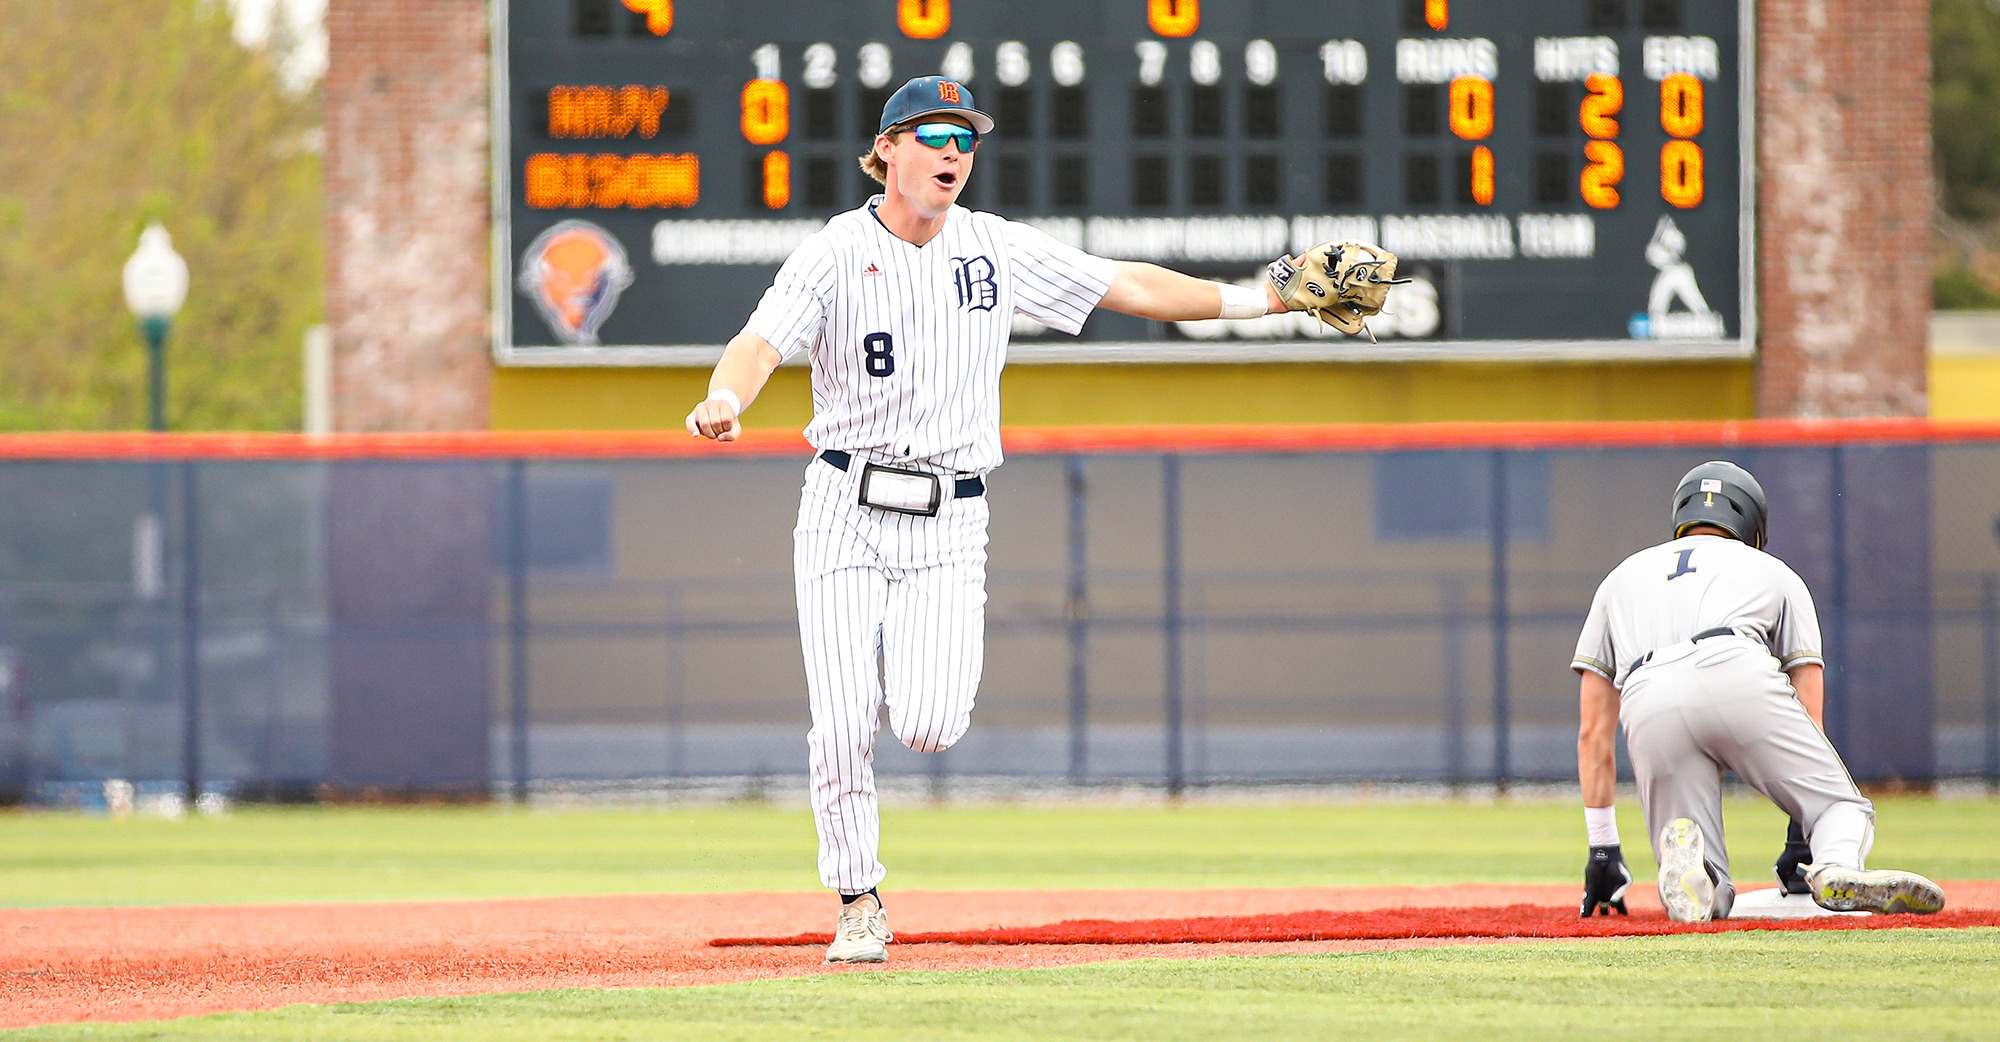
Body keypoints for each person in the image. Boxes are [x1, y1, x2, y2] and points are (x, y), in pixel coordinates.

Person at [685, 74, 1396, 964]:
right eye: (937, 136)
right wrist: (723, 395)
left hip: (951, 514)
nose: (955, 154)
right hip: (844, 502)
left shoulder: (994, 248)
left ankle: (875, 846)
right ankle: (858, 899)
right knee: (839, 716)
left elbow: (1127, 285)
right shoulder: (832, 252)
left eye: (966, 140)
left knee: (930, 722)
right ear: (889, 148)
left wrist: (1271, 300)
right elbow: (760, 342)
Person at [1572, 460, 1946, 922]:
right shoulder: (1773, 570)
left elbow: (1593, 732)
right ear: (1751, 523)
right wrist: (1801, 829)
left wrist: (1603, 851)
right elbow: (1807, 701)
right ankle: (1835, 866)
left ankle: (1702, 876)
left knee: (1711, 899)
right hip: (1733, 667)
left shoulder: (1620, 577)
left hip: (1646, 694)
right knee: (1841, 807)